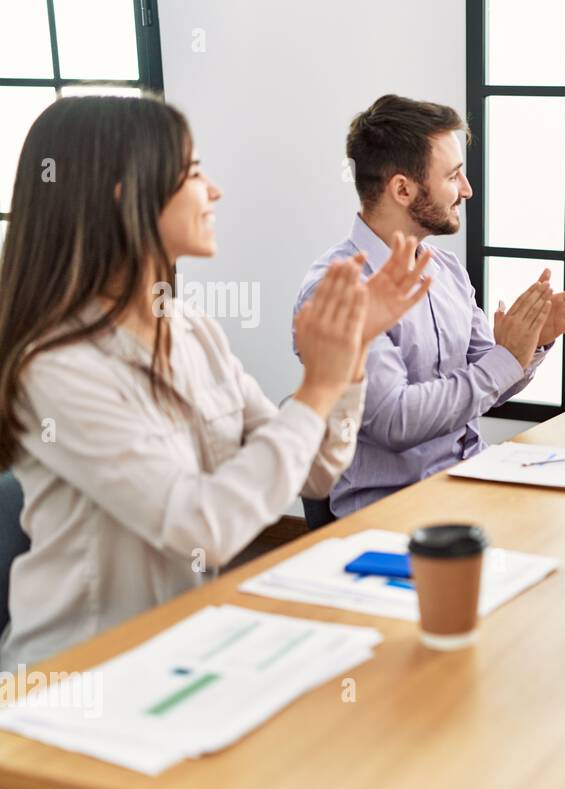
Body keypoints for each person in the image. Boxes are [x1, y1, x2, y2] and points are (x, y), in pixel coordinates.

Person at [0, 96, 426, 669]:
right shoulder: (55, 368)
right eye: (195, 173)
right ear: (125, 195)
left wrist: (352, 357)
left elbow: (318, 473)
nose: (215, 192)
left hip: (182, 646)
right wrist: (318, 388)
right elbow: (205, 526)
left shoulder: (191, 328)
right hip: (82, 678)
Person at [297, 95, 565, 517]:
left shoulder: (446, 268)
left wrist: (532, 343)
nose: (467, 190)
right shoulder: (337, 289)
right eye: (454, 176)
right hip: (393, 513)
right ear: (403, 189)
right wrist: (506, 356)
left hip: (470, 483)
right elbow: (395, 421)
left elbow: (487, 384)